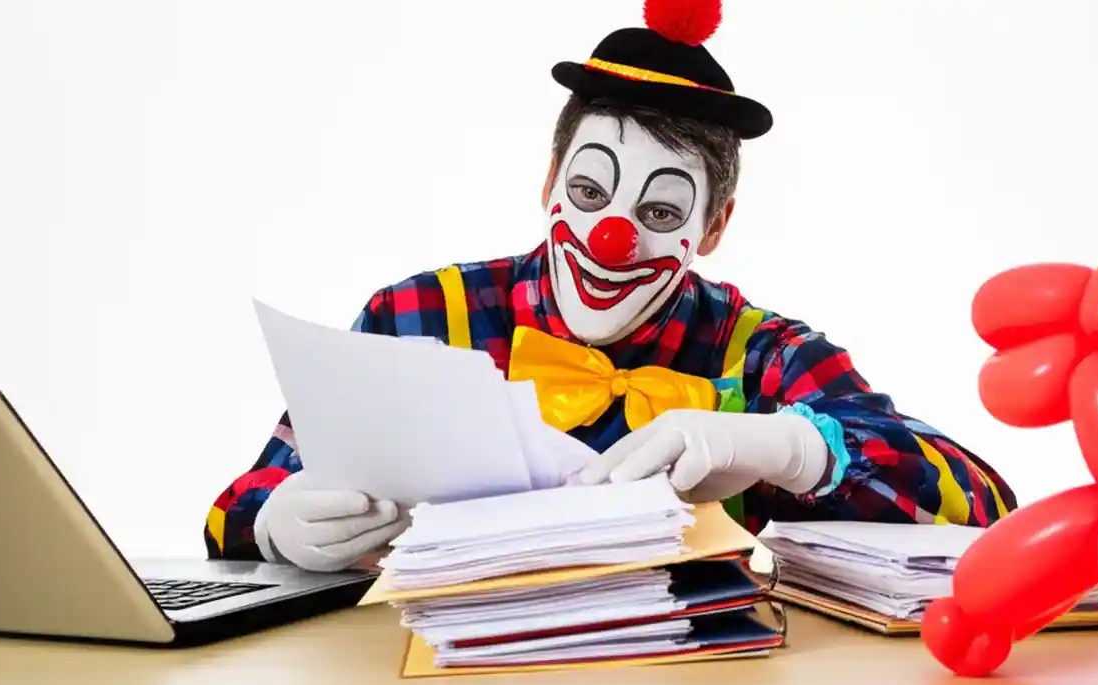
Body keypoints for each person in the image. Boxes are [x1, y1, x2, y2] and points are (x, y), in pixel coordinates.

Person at [204, 0, 1017, 572]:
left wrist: (793, 447)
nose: (611, 235)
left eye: (660, 208)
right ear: (553, 181)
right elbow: (237, 505)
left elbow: (986, 508)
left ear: (713, 228)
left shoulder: (763, 354)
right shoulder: (416, 317)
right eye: (592, 194)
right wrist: (273, 521)